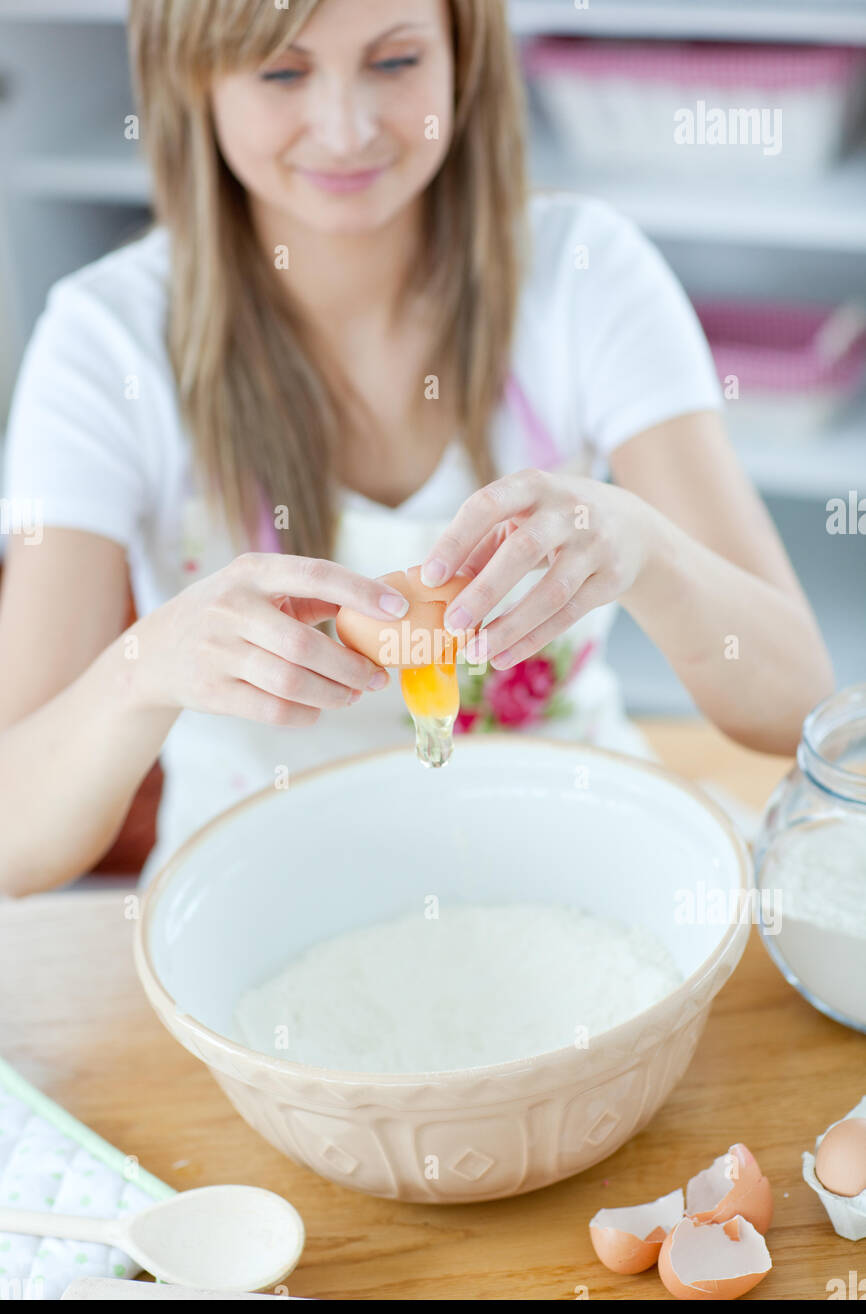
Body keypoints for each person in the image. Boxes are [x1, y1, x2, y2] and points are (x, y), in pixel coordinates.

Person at [0, 0, 833, 897]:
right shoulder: (105, 342)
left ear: (463, 58)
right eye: (283, 73)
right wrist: (142, 670)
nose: (347, 128)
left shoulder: (586, 275)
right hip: (259, 899)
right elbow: (16, 841)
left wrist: (651, 551)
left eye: (395, 63)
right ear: (189, 81)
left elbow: (797, 706)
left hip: (576, 870)